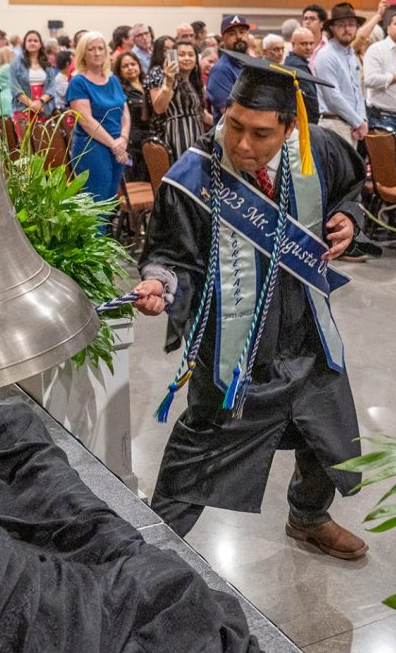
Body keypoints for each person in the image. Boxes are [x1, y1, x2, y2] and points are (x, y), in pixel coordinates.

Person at [131, 51, 369, 558]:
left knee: (323, 433)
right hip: (235, 349)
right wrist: (160, 282)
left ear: (288, 127)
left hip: (305, 331)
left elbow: (352, 187)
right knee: (199, 450)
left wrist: (349, 218)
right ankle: (151, 551)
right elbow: (170, 255)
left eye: (260, 133)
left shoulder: (318, 153)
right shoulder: (193, 176)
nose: (242, 143)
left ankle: (308, 517)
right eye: (234, 125)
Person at [67, 32, 130, 221]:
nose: (96, 53)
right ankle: (94, 248)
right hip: (92, 148)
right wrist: (114, 144)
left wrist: (123, 139)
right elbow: (86, 121)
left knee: (109, 205)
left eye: (100, 48)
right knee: (96, 208)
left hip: (117, 146)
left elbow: (124, 113)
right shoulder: (78, 82)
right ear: (82, 53)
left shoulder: (113, 80)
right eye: (91, 49)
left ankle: (104, 246)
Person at [312, 3, 368, 147]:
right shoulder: (326, 55)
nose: (347, 29)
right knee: (338, 169)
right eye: (341, 25)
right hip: (333, 123)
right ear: (332, 28)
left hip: (350, 124)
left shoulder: (351, 55)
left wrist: (362, 120)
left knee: (349, 170)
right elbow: (332, 97)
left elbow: (358, 92)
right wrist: (358, 121)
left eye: (351, 24)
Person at [152, 39, 204, 161]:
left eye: (191, 55)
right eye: (181, 55)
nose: (187, 58)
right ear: (173, 58)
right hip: (179, 134)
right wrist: (168, 82)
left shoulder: (192, 81)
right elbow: (159, 108)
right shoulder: (171, 80)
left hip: (196, 133)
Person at [9, 29, 58, 138]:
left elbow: (52, 86)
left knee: (43, 142)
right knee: (25, 145)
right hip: (23, 108)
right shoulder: (16, 63)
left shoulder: (47, 64)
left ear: (40, 44)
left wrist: (40, 102)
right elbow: (14, 87)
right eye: (29, 40)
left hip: (44, 108)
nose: (32, 43)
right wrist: (31, 105)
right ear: (24, 43)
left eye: (36, 41)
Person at [205, 15, 253, 121]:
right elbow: (230, 113)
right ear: (223, 39)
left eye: (242, 32)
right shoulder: (220, 70)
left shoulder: (254, 65)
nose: (239, 37)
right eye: (232, 33)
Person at [116, 51, 155, 181]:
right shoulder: (121, 91)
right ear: (119, 71)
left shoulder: (149, 85)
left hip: (154, 137)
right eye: (125, 66)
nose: (130, 68)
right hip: (134, 142)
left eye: (133, 64)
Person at [284, 27, 320, 125]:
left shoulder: (296, 62)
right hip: (303, 121)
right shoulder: (297, 65)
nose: (308, 47)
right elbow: (310, 97)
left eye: (311, 43)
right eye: (303, 44)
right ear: (293, 44)